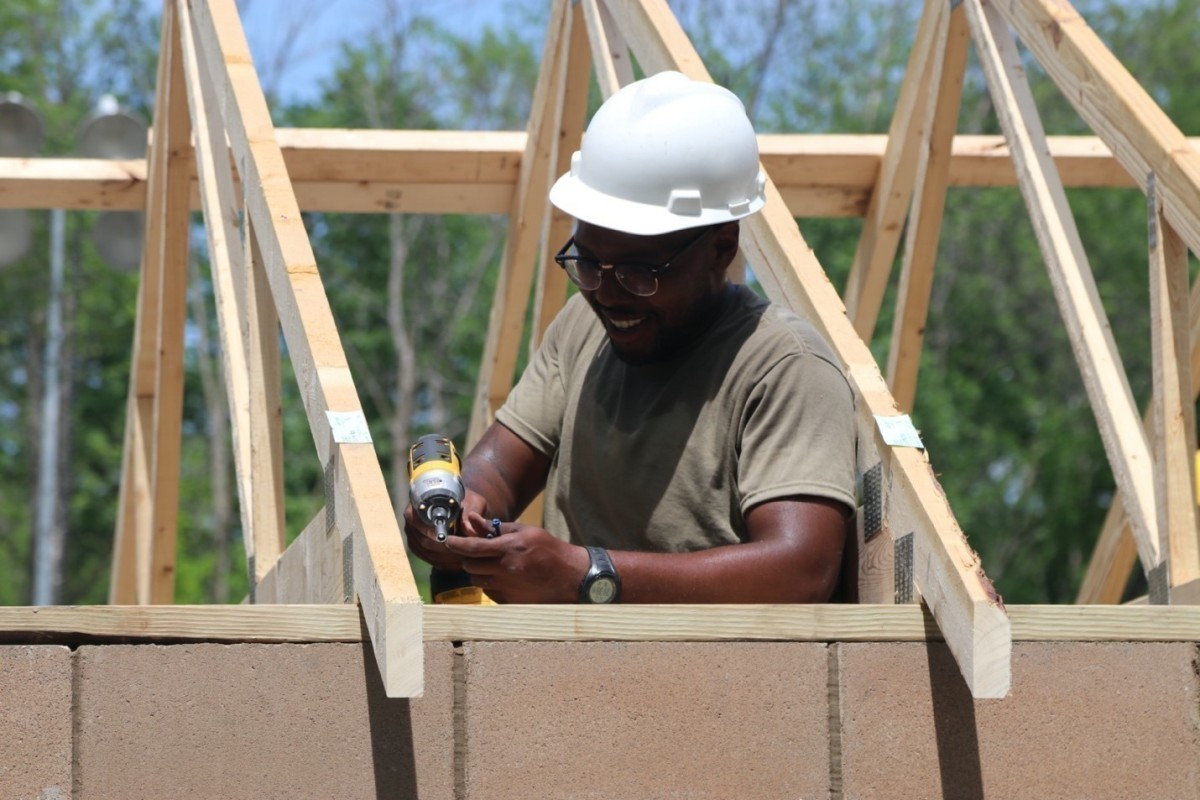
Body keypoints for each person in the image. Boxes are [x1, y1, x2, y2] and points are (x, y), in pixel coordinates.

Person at [405, 71, 857, 604]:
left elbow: (799, 570)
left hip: (724, 681)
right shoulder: (580, 330)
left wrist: (586, 574)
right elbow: (500, 466)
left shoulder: (784, 368)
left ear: (721, 247)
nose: (610, 295)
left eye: (642, 272)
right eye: (590, 263)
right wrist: (462, 503)